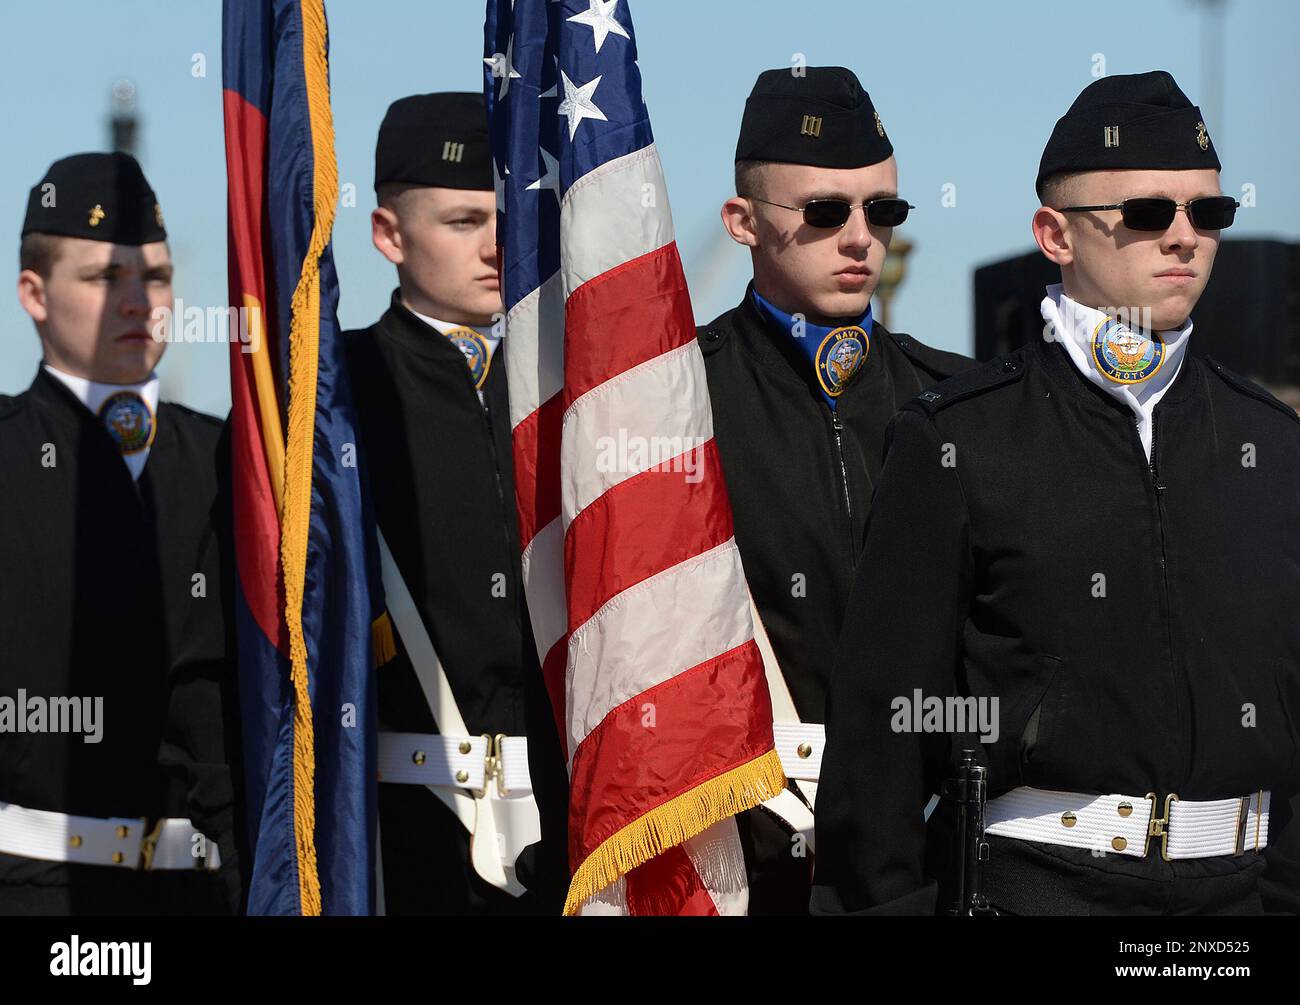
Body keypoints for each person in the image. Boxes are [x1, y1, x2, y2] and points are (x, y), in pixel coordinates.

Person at [813, 70, 1300, 915]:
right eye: (1148, 213)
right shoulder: (959, 439)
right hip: (1036, 891)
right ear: (1056, 234)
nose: (1184, 237)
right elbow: (884, 734)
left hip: (1241, 902)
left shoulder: (1276, 444)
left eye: (1207, 213)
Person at [697, 66, 974, 913]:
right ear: (742, 222)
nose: (860, 236)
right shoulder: (676, 401)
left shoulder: (962, 402)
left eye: (882, 211)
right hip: (735, 845)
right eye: (823, 212)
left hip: (926, 850)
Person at [0, 152, 243, 914]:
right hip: (37, 893)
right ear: (33, 293)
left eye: (158, 278)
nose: (140, 302)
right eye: (106, 279)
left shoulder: (233, 461)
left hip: (208, 891)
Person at [344, 93, 567, 915]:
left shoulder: (569, 390)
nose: (496, 245)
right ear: (388, 235)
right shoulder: (335, 394)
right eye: (464, 220)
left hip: (565, 827)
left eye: (507, 217)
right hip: (404, 835)